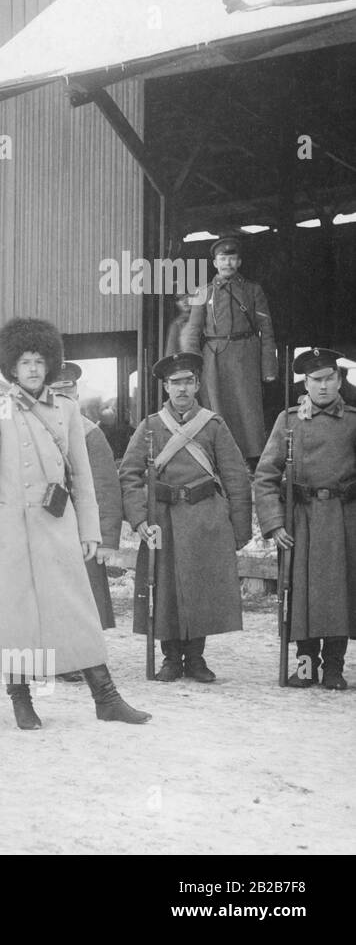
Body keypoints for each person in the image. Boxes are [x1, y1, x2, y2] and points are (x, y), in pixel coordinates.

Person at [0, 318, 150, 730]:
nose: (32, 368)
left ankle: (106, 697)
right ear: (10, 366)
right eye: (24, 361)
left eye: (39, 360)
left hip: (56, 525)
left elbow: (81, 475)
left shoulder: (65, 410)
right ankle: (22, 700)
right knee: (13, 618)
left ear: (50, 365)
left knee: (77, 611)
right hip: (7, 529)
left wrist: (90, 531)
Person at [118, 352, 252, 683]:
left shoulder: (213, 425)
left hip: (205, 517)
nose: (182, 389)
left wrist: (239, 527)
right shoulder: (149, 427)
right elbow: (130, 476)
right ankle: (170, 659)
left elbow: (235, 475)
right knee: (164, 592)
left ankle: (195, 659)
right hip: (161, 519)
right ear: (165, 387)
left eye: (188, 381)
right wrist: (139, 521)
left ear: (196, 385)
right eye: (175, 383)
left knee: (200, 590)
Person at [254, 347, 356, 689]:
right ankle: (306, 667)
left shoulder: (353, 421)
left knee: (339, 595)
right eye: (316, 380)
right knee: (300, 595)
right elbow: (266, 475)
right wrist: (275, 522)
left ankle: (334, 669)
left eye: (330, 378)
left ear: (340, 380)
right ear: (306, 383)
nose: (324, 386)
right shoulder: (289, 421)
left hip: (344, 521)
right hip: (301, 521)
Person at [179, 237, 278, 461]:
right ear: (215, 263)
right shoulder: (202, 292)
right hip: (213, 360)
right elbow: (193, 332)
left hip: (246, 357)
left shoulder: (253, 291)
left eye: (232, 259)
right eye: (222, 259)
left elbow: (267, 331)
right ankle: (221, 459)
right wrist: (192, 369)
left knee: (248, 412)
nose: (227, 264)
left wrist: (268, 368)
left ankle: (253, 461)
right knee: (216, 411)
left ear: (239, 262)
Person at [51, 362, 124, 659]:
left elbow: (106, 488)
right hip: (47, 527)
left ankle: (80, 658)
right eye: (55, 390)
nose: (61, 396)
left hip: (82, 530)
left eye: (67, 390)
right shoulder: (33, 427)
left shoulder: (90, 433)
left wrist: (106, 540)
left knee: (83, 598)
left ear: (77, 392)